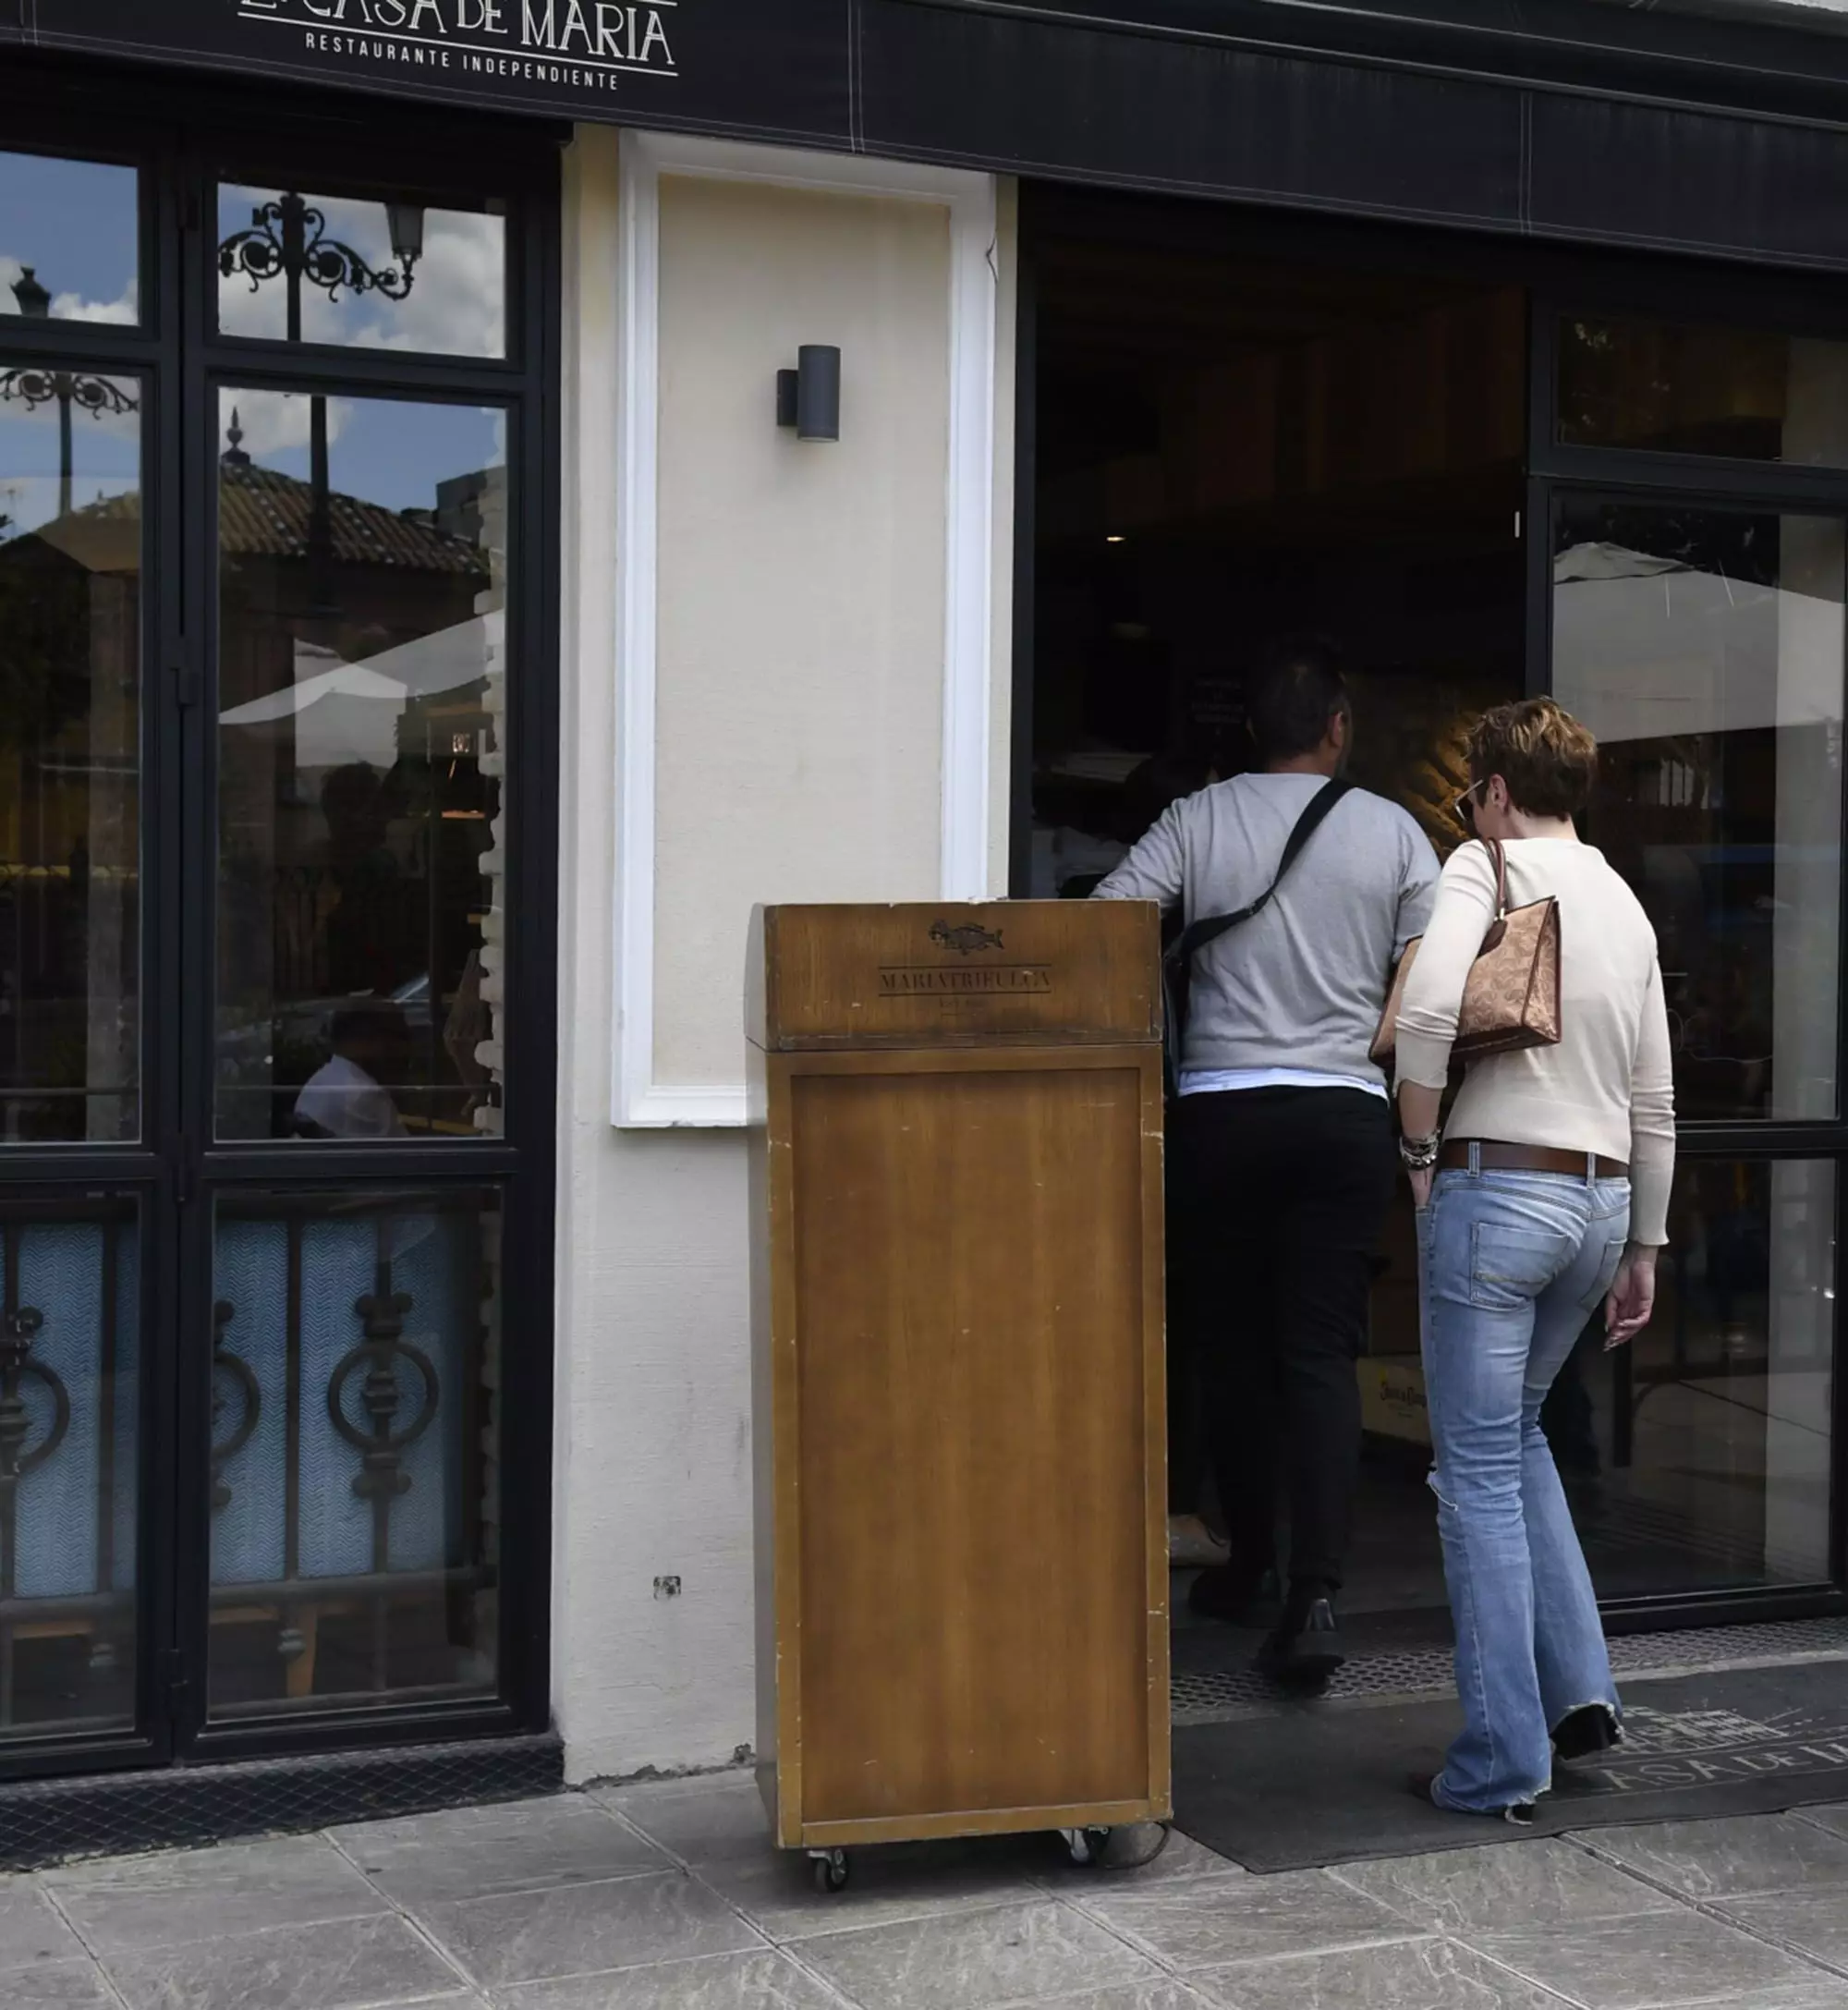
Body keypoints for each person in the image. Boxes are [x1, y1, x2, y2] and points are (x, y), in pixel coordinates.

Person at [1095, 635, 1440, 1682]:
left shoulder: (1194, 819)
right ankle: (1318, 1593)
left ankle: (1245, 1564)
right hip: (1340, 1115)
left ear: (1250, 734)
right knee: (1317, 1353)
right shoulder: (1389, 831)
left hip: (1222, 1115)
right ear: (1337, 729)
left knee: (1234, 1355)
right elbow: (1433, 973)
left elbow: (1104, 922)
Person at [1393, 697, 1674, 1821]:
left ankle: (1500, 1759)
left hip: (1496, 1187)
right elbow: (1653, 1096)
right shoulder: (1624, 900)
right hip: (1599, 1204)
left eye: (1473, 797)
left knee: (1470, 1477)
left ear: (1496, 794)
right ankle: (1580, 1695)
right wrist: (1645, 1241)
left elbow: (1423, 1005)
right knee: (1514, 1440)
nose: (1472, 813)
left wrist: (1415, 1141)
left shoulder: (1484, 866)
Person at [295, 1003, 411, 1139]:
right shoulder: (364, 1093)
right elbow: (406, 1154)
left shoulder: (320, 1079)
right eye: (394, 1037)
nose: (398, 1050)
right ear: (360, 1041)